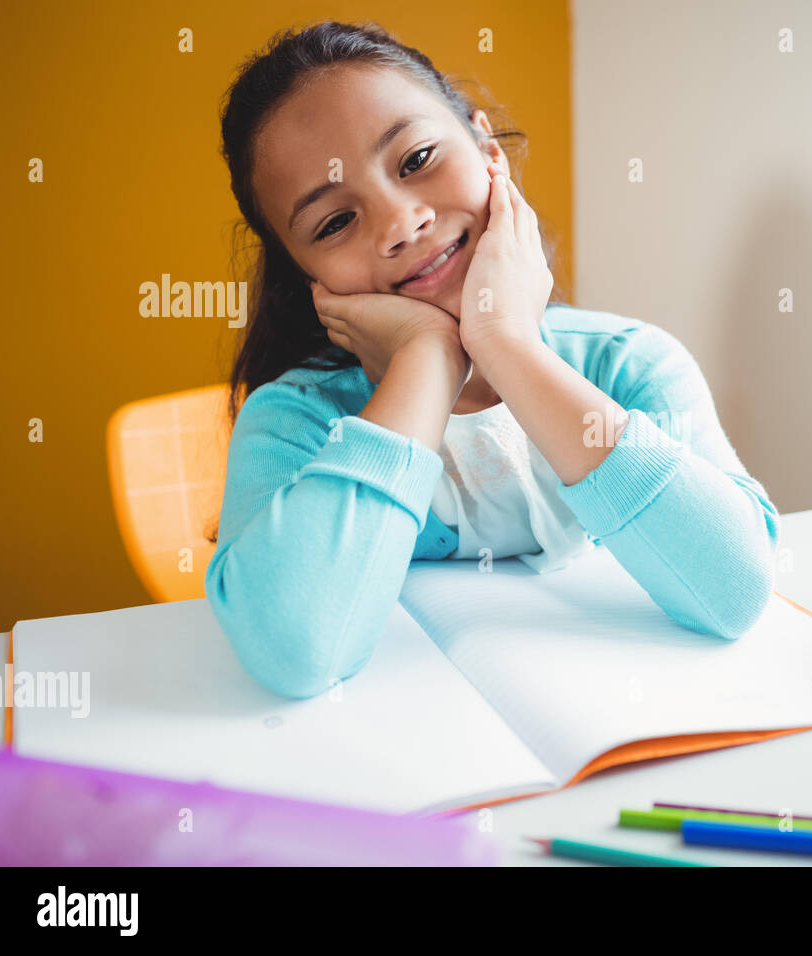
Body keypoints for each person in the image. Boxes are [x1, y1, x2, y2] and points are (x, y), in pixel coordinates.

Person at [206, 20, 779, 699]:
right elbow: (297, 652)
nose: (400, 223)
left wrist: (507, 344)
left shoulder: (632, 367)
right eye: (333, 222)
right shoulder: (293, 423)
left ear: (487, 150)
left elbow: (733, 592)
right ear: (302, 273)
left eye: (416, 159)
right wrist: (425, 360)